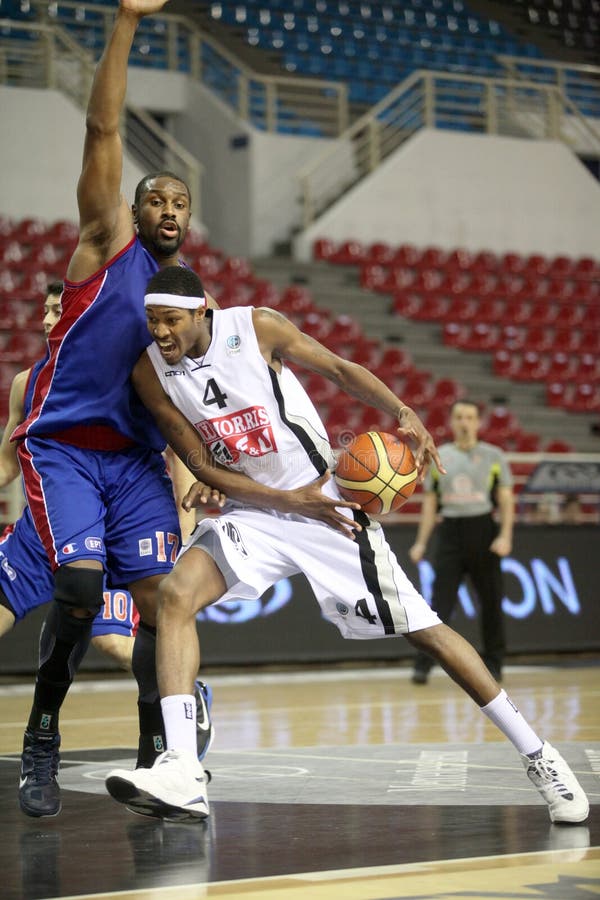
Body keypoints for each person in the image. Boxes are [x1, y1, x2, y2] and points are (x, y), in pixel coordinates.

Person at [9, 0, 361, 819]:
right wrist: (129, 22)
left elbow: (207, 401)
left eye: (180, 203)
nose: (169, 210)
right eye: (156, 199)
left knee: (164, 601)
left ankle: (158, 757)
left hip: (138, 461)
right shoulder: (103, 247)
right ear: (133, 212)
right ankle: (42, 734)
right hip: (66, 447)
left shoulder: (186, 303)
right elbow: (103, 130)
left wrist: (210, 471)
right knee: (77, 586)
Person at [104, 266, 589, 827]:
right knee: (175, 595)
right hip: (257, 510)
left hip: (327, 507)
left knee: (427, 632)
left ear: (200, 312)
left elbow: (338, 368)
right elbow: (202, 464)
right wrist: (283, 501)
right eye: (152, 321)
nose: (160, 331)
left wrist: (402, 411)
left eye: (170, 320)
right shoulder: (150, 370)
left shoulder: (256, 327)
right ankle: (183, 769)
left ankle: (540, 757)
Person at [0, 282, 137, 671]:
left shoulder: (126, 379)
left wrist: (181, 517)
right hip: (39, 532)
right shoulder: (26, 383)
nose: (46, 321)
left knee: (114, 644)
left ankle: (185, 692)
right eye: (44, 310)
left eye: (57, 311)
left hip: (103, 534)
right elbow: (7, 465)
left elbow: (169, 450)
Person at [409, 400, 514, 685]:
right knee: (438, 604)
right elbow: (430, 503)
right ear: (452, 422)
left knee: (491, 602)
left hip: (483, 531)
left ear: (478, 422)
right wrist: (421, 543)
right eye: (459, 417)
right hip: (450, 532)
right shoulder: (440, 456)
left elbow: (506, 499)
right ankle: (423, 664)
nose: (464, 422)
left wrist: (505, 535)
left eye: (469, 417)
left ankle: (494, 664)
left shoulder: (494, 456)